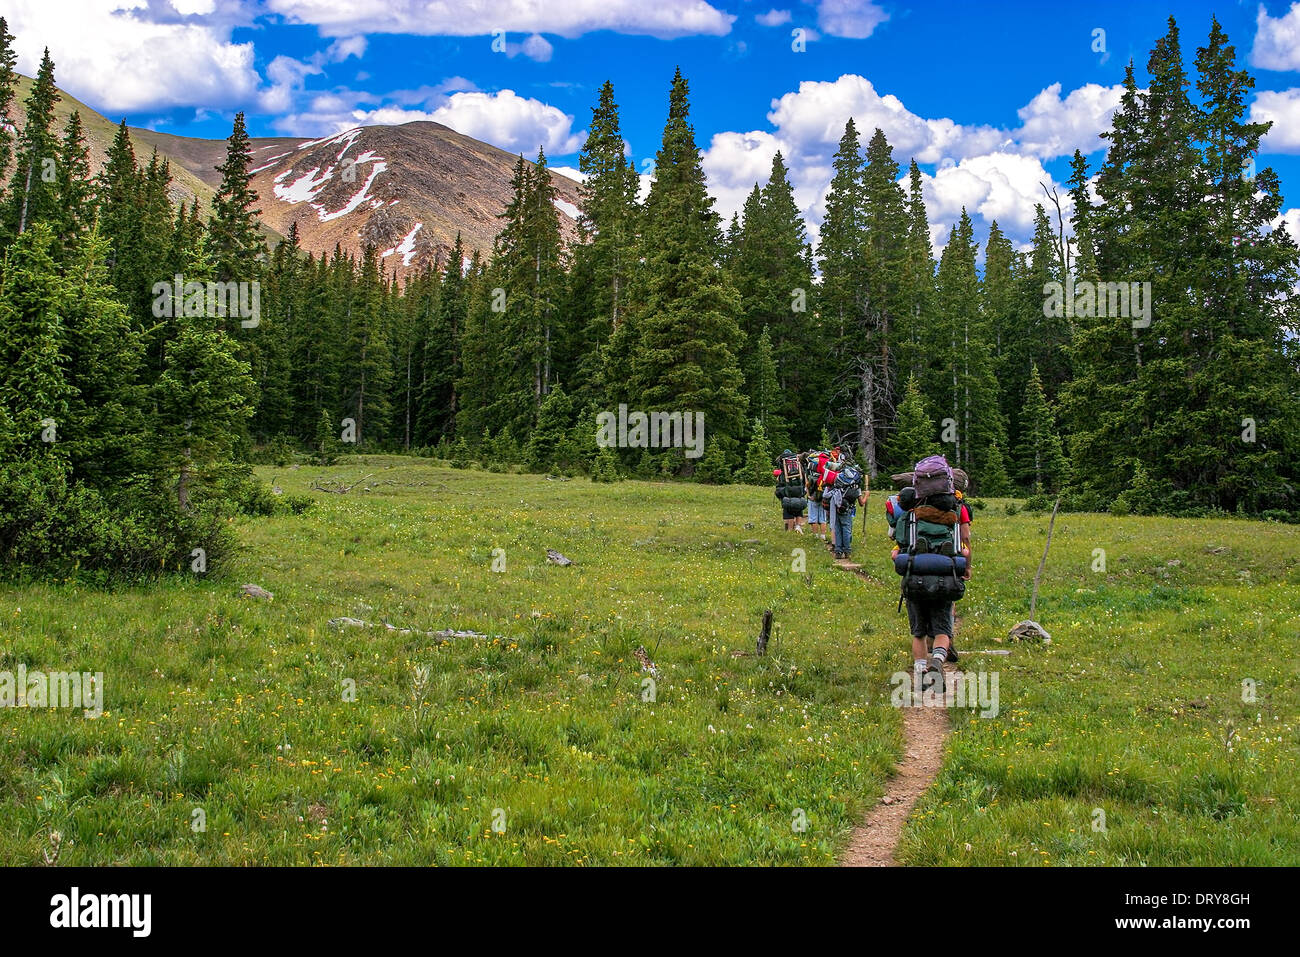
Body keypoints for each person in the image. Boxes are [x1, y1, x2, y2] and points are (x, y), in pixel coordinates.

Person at [892, 489, 972, 695]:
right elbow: (964, 550)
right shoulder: (951, 518)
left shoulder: (911, 518)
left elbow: (898, 549)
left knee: (918, 632)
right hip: (945, 579)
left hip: (915, 579)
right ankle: (936, 662)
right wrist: (966, 565)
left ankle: (920, 675)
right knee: (943, 630)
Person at [824, 455, 867, 561]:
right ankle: (847, 551)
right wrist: (867, 495)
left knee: (838, 529)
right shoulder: (855, 486)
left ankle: (838, 551)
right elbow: (861, 503)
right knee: (846, 530)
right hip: (848, 508)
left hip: (836, 506)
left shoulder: (838, 479)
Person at [772, 450, 806, 532]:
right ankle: (798, 526)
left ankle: (790, 530)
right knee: (799, 509)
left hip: (788, 493)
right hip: (799, 492)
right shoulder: (799, 470)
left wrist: (779, 493)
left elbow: (780, 484)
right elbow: (804, 481)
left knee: (789, 511)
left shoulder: (783, 473)